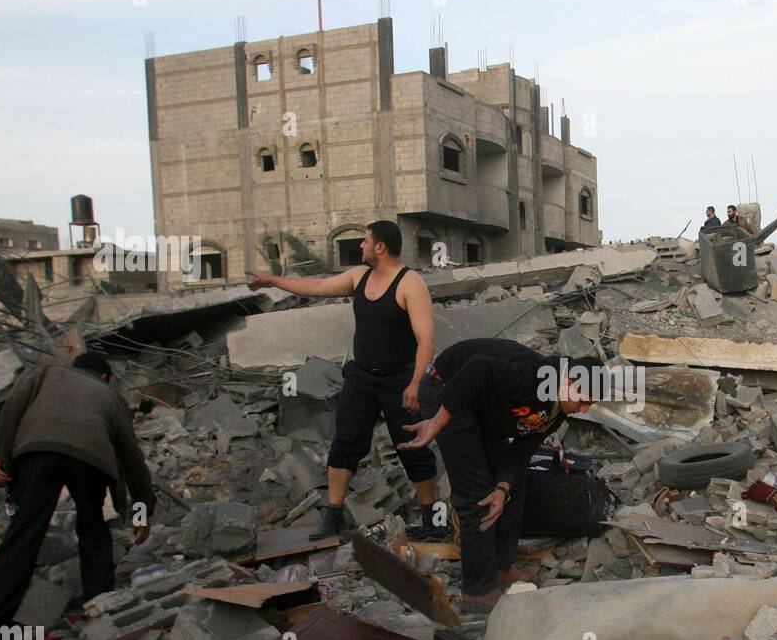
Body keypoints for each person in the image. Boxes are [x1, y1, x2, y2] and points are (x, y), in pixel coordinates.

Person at [249, 221, 441, 540]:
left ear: (380, 247)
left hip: (400, 379)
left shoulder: (410, 284)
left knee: (413, 447)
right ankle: (334, 515)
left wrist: (415, 383)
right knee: (345, 443)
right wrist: (272, 280)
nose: (361, 247)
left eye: (365, 242)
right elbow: (316, 286)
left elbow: (426, 339)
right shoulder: (358, 277)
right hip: (361, 376)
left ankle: (432, 517)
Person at [400, 340, 602, 612]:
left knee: (512, 486)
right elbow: (479, 367)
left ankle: (500, 569)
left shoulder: (556, 408)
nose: (585, 409)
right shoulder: (531, 377)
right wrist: (440, 419)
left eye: (591, 403)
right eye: (584, 400)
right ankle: (477, 591)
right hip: (449, 390)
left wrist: (503, 488)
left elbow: (522, 449)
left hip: (486, 406)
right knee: (476, 494)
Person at [0, 353, 156, 628]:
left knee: (22, 538)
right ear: (105, 377)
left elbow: (11, 412)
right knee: (93, 532)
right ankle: (101, 611)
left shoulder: (43, 374)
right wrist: (142, 512)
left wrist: (0, 459)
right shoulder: (110, 395)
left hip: (36, 453)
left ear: (73, 369)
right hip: (91, 462)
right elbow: (132, 459)